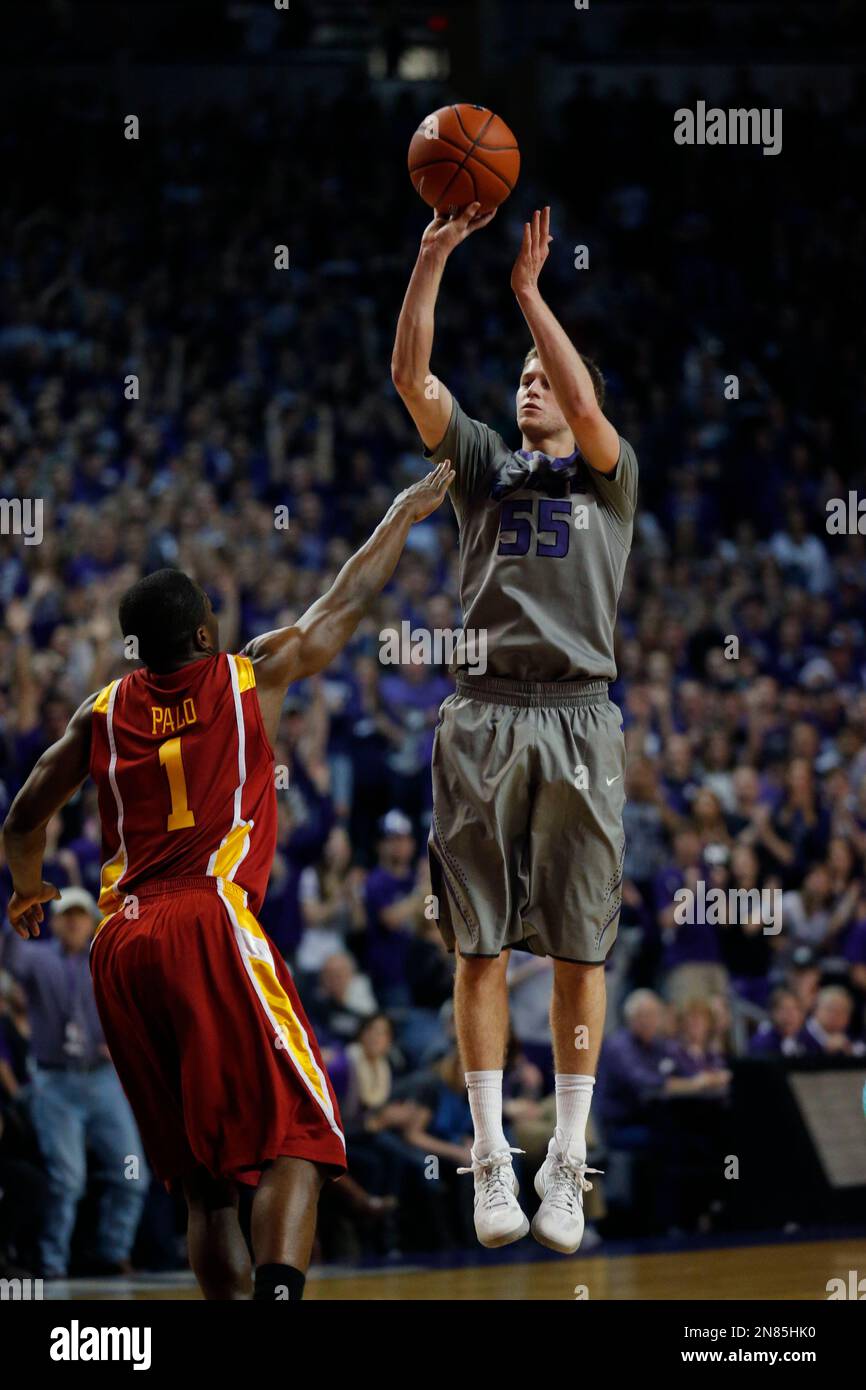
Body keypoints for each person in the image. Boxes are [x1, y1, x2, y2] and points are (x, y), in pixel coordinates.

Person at [1, 461, 455, 1301]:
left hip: (119, 943)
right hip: (206, 918)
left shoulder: (98, 713)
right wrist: (403, 511)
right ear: (207, 636)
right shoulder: (251, 676)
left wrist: (28, 890)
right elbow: (345, 602)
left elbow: (23, 814)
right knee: (302, 1136)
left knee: (205, 1182)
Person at [392, 204, 637, 1253]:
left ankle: (566, 1159)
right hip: (486, 716)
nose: (532, 380)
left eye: (543, 373)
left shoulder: (608, 471)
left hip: (580, 716)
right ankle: (492, 1153)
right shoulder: (483, 464)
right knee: (478, 943)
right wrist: (431, 257)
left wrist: (532, 297)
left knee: (580, 945)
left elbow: (581, 395)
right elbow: (412, 378)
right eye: (522, 374)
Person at [0, 886, 148, 1278]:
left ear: (91, 921)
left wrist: (125, 1041)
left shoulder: (107, 956)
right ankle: (52, 1263)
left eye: (80, 916)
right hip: (55, 1084)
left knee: (132, 1173)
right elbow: (8, 953)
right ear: (56, 922)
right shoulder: (37, 958)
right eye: (66, 916)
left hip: (104, 1082)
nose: (73, 922)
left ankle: (112, 1253)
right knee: (67, 1180)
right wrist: (16, 911)